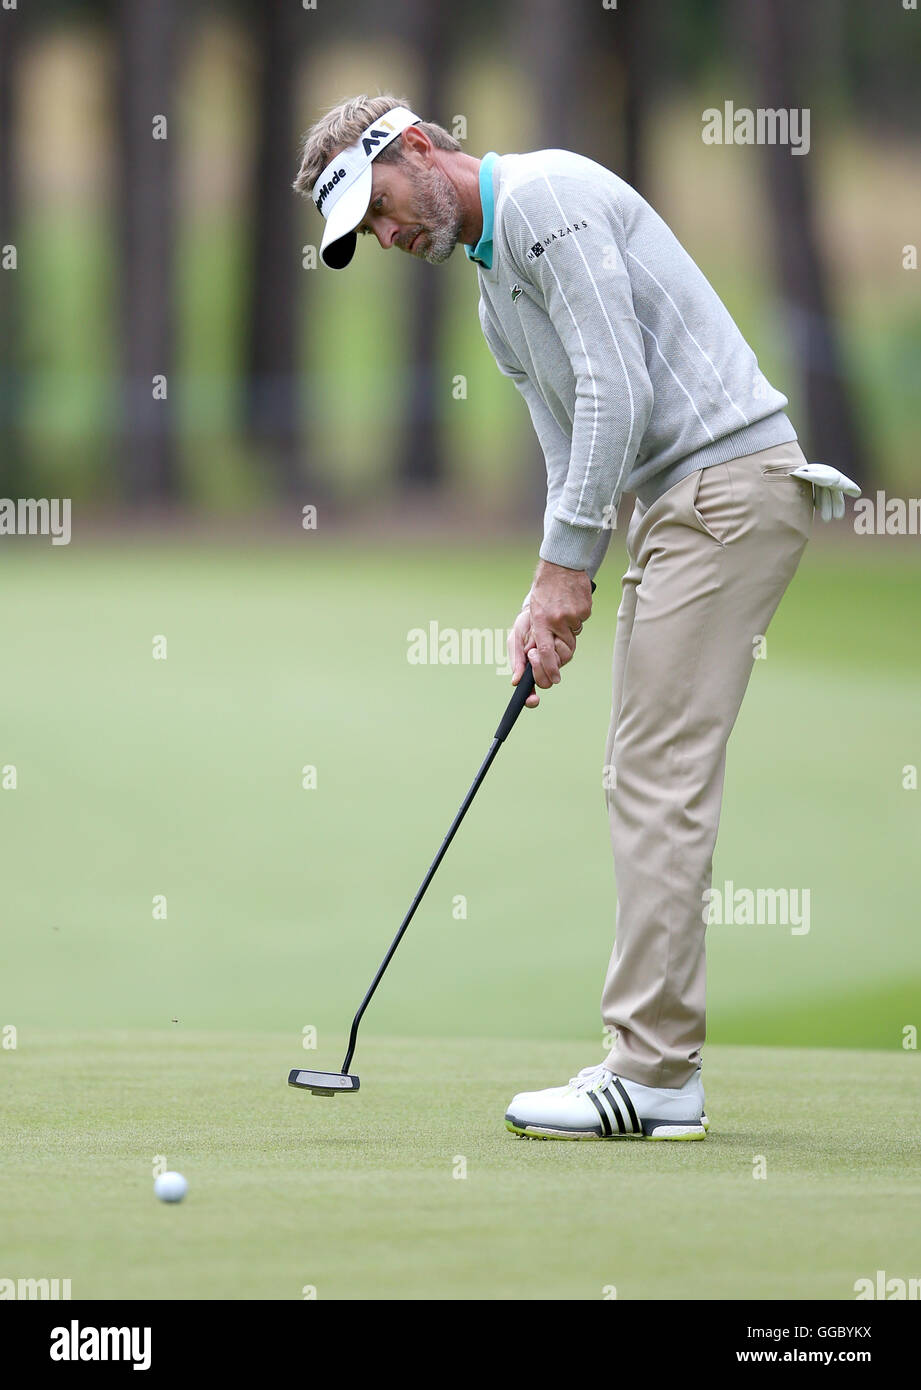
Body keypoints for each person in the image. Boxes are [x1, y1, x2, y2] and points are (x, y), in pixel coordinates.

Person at [293, 95, 859, 1142]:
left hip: (727, 490)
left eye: (378, 209)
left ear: (417, 150)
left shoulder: (548, 197)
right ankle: (652, 1065)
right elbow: (568, 446)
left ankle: (651, 1074)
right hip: (684, 507)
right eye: (368, 235)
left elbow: (617, 387)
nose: (388, 236)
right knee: (642, 771)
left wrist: (568, 570)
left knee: (655, 775)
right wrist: (551, 594)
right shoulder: (494, 295)